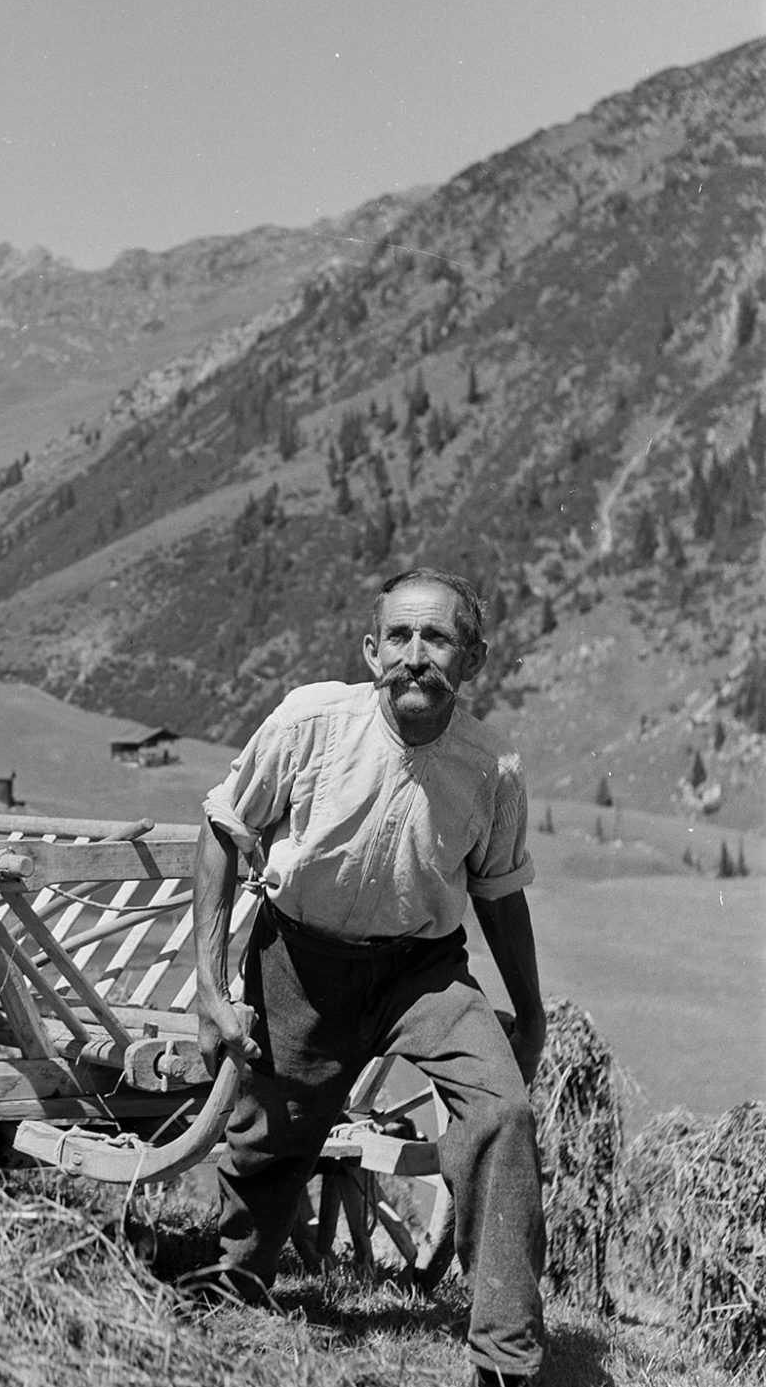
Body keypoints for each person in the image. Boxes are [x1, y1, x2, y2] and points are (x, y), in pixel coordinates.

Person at [193, 568, 547, 1387]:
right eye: (400, 637)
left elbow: (498, 893)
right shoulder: (310, 720)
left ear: (476, 658)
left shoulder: (492, 765)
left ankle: (506, 1356)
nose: (416, 656)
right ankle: (233, 1277)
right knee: (268, 1145)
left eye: (439, 639)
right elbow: (222, 828)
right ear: (370, 648)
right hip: (300, 961)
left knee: (506, 1110)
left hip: (422, 970)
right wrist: (212, 989)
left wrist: (528, 1014)